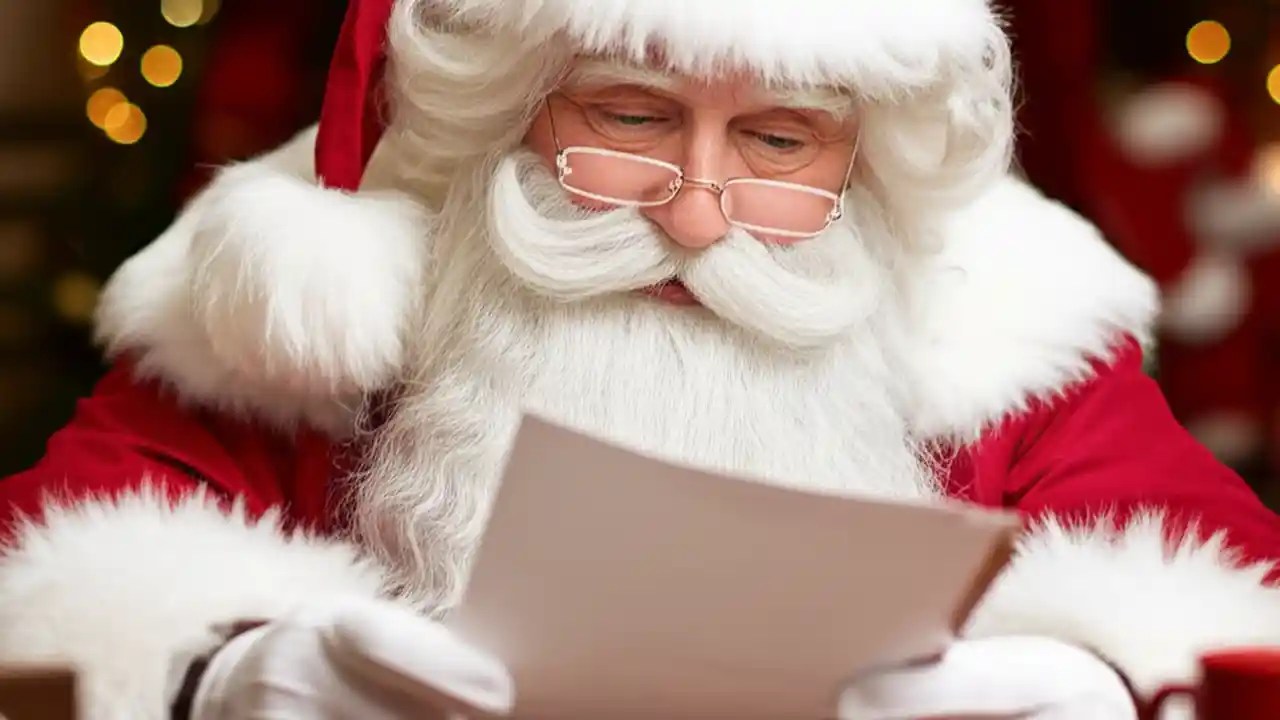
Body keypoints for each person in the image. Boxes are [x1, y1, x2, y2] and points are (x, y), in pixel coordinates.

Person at [2, 0, 1278, 717]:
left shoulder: (1002, 334)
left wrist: (1091, 685)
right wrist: (214, 674)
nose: (694, 211)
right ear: (512, 105)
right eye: (628, 115)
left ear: (863, 157)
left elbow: (1233, 610)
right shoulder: (302, 317)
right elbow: (42, 586)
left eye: (780, 141)